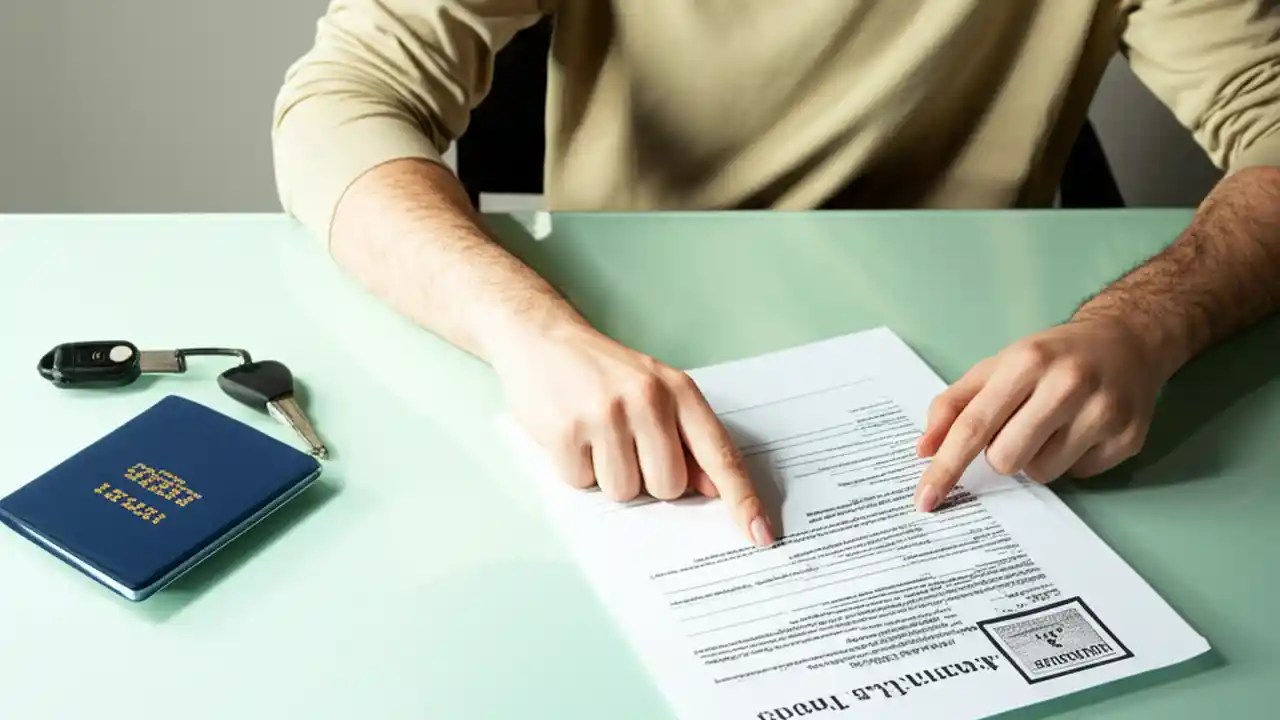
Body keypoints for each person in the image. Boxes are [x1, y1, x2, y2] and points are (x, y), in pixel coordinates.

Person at [272, 1, 1280, 547]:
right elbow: (345, 97)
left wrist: (1145, 323)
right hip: (606, 355)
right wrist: (527, 332)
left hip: (975, 379)